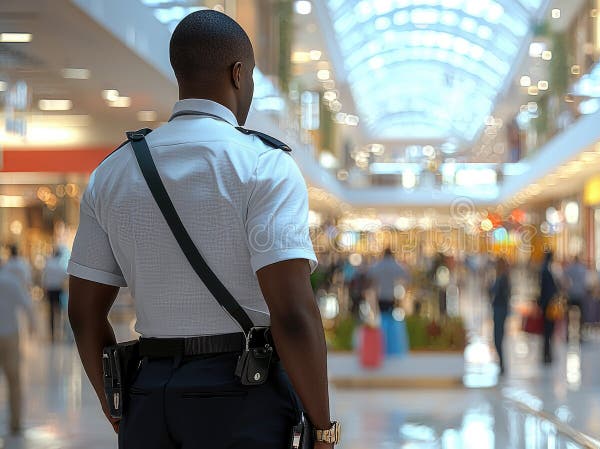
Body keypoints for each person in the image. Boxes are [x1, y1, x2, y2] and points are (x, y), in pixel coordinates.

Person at [67, 11, 338, 449]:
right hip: (243, 394)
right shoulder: (264, 166)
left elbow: (83, 313)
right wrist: (323, 427)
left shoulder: (114, 172)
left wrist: (114, 401)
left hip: (149, 394)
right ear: (237, 74)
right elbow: (290, 312)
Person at [0, 260, 36, 435]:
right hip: (10, 335)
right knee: (14, 380)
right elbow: (27, 305)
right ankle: (15, 423)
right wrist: (32, 325)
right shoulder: (11, 281)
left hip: (9, 333)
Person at [367, 248, 410, 356]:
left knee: (381, 320)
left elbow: (369, 273)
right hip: (391, 296)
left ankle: (381, 346)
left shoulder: (378, 265)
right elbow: (406, 275)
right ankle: (390, 347)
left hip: (380, 296)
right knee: (391, 322)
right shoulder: (394, 265)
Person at [489, 258, 511, 375]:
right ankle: (501, 362)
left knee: (498, 337)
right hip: (499, 309)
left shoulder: (503, 279)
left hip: (500, 310)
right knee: (497, 337)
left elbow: (497, 293)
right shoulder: (502, 278)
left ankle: (502, 362)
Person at [538, 252, 559, 364]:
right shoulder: (546, 272)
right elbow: (548, 290)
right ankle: (546, 354)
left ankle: (547, 353)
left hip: (546, 304)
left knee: (547, 331)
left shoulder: (546, 270)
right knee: (548, 331)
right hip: (547, 305)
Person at [42, 248, 68, 341]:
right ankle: (59, 331)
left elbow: (44, 278)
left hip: (50, 290)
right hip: (58, 290)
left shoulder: (48, 264)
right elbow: (65, 277)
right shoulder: (60, 265)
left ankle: (52, 333)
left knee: (51, 312)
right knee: (59, 311)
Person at [563, 257, 588, 341]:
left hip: (571, 294)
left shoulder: (569, 268)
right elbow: (586, 281)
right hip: (580, 294)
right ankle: (580, 335)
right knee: (581, 316)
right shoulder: (583, 269)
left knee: (568, 315)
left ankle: (567, 334)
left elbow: (564, 279)